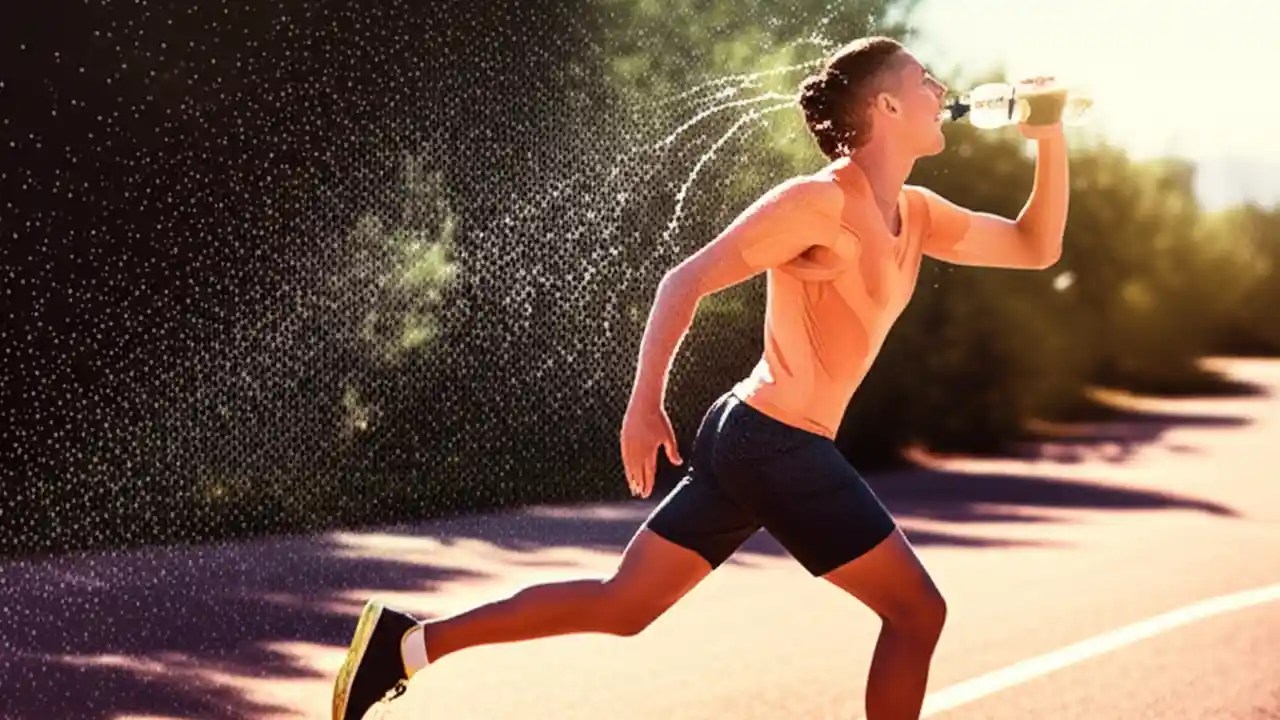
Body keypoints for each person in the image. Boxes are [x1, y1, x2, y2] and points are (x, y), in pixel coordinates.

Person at [331, 35, 1069, 720]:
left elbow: (1036, 247)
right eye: (924, 82)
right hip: (775, 442)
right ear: (885, 106)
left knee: (624, 606)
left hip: (752, 436)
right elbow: (681, 282)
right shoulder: (818, 203)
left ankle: (405, 645)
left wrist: (1049, 137)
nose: (942, 92)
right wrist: (643, 404)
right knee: (917, 613)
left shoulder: (916, 213)